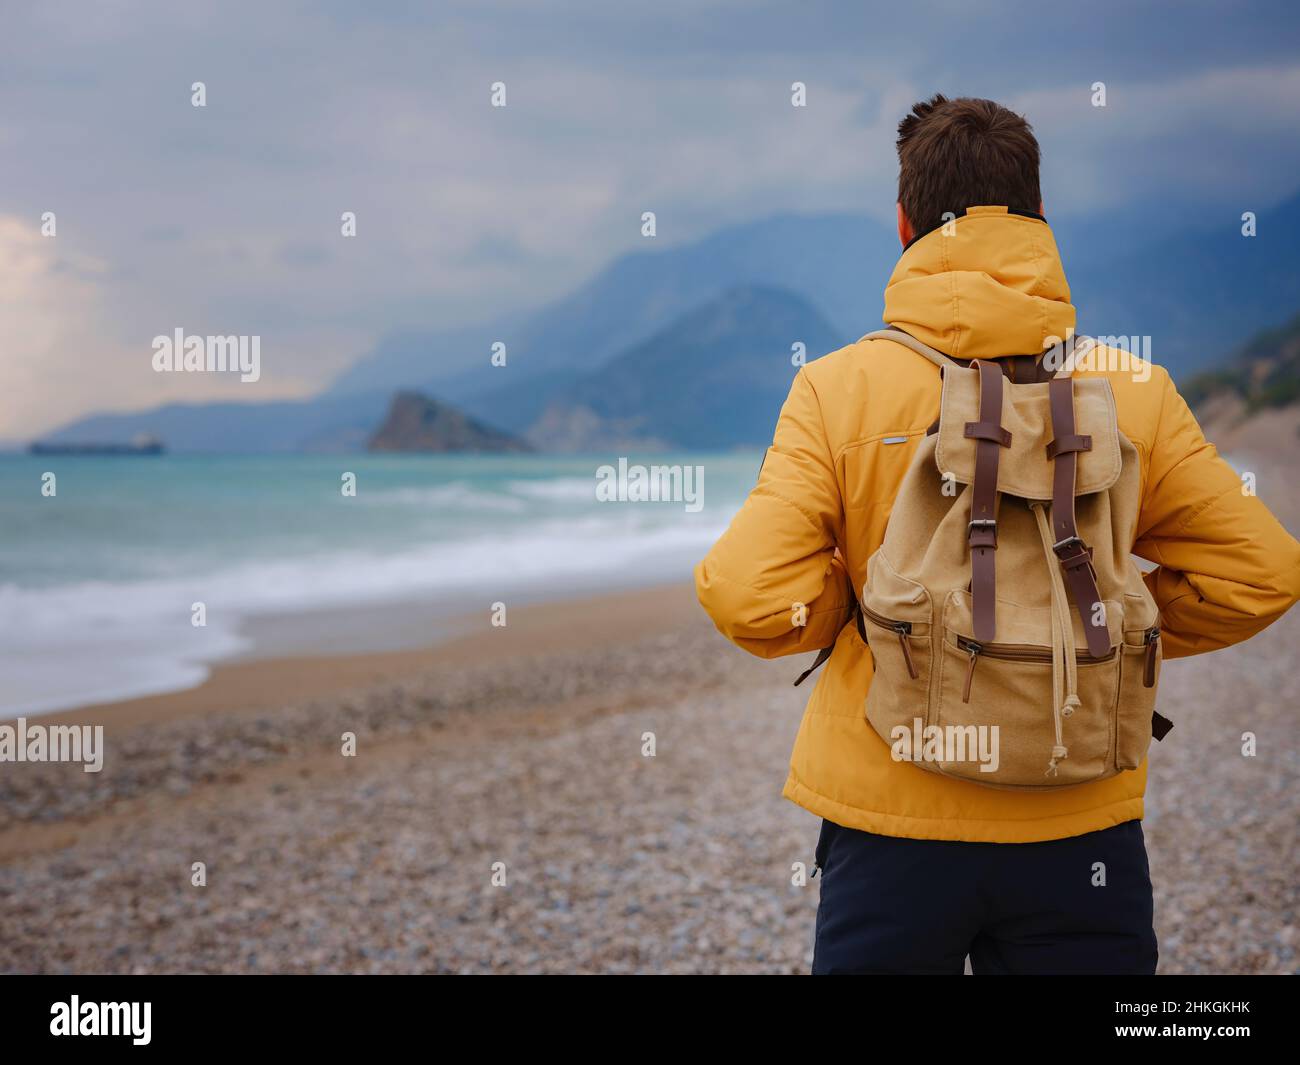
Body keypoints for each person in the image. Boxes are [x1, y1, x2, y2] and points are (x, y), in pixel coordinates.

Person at [694, 94, 1300, 974]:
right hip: (1079, 824)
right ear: (1040, 221)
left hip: (893, 825)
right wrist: (1107, 628)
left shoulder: (838, 389)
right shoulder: (1133, 390)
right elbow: (1265, 573)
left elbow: (749, 594)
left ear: (903, 222)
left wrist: (869, 610)